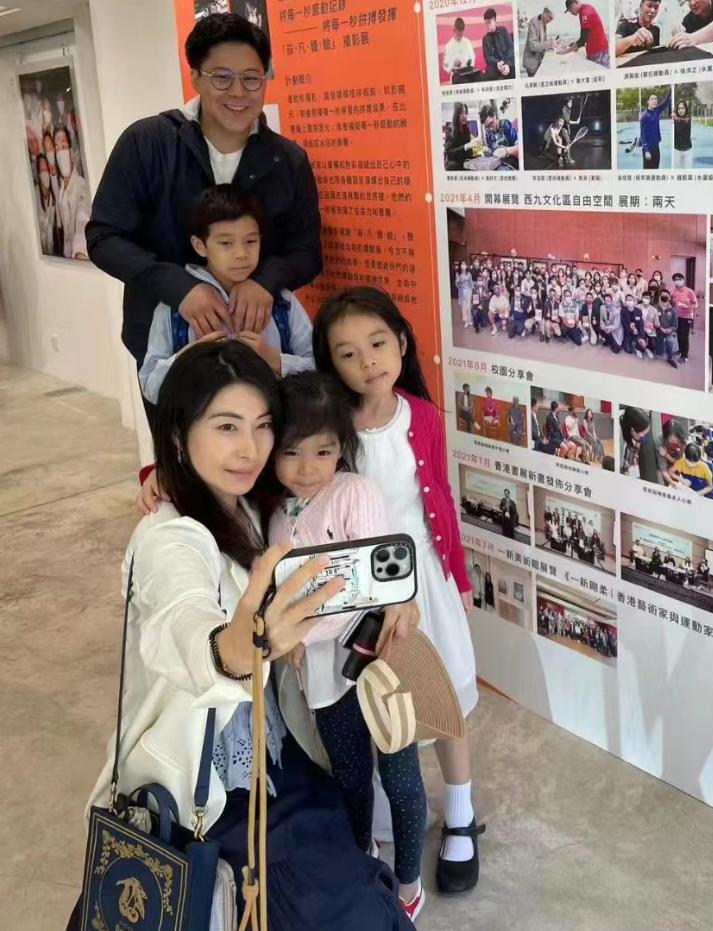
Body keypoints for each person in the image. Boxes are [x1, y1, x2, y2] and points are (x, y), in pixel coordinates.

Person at [75, 340, 413, 931]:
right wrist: (242, 648)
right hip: (208, 794)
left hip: (280, 758)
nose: (250, 448)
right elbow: (186, 624)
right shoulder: (168, 539)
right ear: (180, 432)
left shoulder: (257, 507)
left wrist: (395, 592)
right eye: (227, 426)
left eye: (262, 427)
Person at [312, 286, 486, 893]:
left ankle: (461, 817)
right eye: (348, 354)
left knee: (448, 701)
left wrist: (459, 578)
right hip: (366, 595)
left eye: (379, 344)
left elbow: (440, 500)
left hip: (427, 584)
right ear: (328, 363)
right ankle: (386, 814)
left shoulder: (424, 416)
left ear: (402, 344)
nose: (368, 363)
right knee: (382, 707)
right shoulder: (329, 427)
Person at [87, 14, 322, 392]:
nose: (239, 92)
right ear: (196, 77)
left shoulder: (287, 159)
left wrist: (265, 281)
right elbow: (104, 237)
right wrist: (177, 286)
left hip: (261, 355)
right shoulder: (148, 143)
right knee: (183, 448)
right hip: (169, 350)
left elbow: (307, 251)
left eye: (251, 78)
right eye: (222, 77)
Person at [269, 373, 427, 919]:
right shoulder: (275, 517)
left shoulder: (353, 491)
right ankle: (361, 858)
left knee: (401, 774)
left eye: (323, 450)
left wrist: (303, 621)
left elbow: (377, 581)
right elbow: (282, 598)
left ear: (342, 447)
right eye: (290, 452)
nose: (307, 466)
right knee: (349, 772)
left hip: (375, 658)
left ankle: (408, 884)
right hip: (321, 672)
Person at [138, 186, 313, 404]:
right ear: (200, 246)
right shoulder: (176, 308)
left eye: (251, 241)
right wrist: (189, 359)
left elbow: (321, 370)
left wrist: (276, 361)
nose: (241, 254)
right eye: (226, 243)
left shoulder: (282, 302)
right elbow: (150, 386)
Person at [54, 124, 90, 260]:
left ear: (70, 152)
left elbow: (83, 217)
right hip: (66, 253)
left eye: (63, 146)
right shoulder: (62, 185)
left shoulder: (80, 184)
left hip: (77, 255)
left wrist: (80, 250)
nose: (59, 152)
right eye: (56, 148)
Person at [562, 0, 610, 66]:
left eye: (571, 8)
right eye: (569, 11)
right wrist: (575, 46)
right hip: (592, 49)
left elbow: (582, 40)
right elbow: (585, 36)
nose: (571, 12)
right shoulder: (584, 9)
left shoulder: (585, 13)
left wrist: (566, 51)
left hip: (598, 51)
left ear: (576, 2)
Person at [34, 152, 61, 256]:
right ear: (38, 174)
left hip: (50, 251)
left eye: (46, 168)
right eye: (41, 170)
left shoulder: (52, 196)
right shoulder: (35, 194)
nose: (44, 172)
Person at [479, 103, 520, 169]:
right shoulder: (488, 135)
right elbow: (492, 153)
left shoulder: (505, 125)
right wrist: (488, 152)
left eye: (491, 123)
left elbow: (519, 148)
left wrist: (506, 150)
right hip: (498, 166)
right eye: (487, 127)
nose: (490, 129)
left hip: (511, 165)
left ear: (495, 116)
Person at [640, 89, 671, 169]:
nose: (654, 101)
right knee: (647, 173)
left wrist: (671, 89)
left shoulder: (657, 110)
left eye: (656, 99)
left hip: (656, 147)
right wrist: (646, 151)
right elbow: (642, 134)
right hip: (648, 149)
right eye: (652, 99)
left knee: (656, 169)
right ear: (648, 101)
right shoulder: (644, 116)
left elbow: (665, 102)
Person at [671, 273, 698, 364]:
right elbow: (672, 302)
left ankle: (684, 356)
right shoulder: (674, 291)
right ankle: (680, 350)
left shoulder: (689, 291)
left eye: (679, 279)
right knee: (678, 334)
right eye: (675, 279)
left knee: (684, 336)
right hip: (677, 316)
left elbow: (695, 304)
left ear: (683, 279)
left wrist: (687, 307)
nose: (677, 281)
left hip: (687, 317)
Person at [482, 9, 516, 80]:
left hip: (507, 61)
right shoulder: (485, 39)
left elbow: (511, 48)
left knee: (514, 71)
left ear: (494, 20)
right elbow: (488, 57)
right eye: (486, 23)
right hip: (494, 65)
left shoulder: (503, 30)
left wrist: (507, 64)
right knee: (488, 76)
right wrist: (497, 63)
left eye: (489, 22)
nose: (487, 25)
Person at [523, 7, 556, 77]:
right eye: (550, 18)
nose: (550, 21)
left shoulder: (543, 23)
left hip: (539, 60)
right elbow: (532, 46)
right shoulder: (533, 22)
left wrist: (550, 46)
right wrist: (549, 43)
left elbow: (542, 43)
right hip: (532, 63)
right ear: (545, 14)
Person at [443, 17, 478, 83]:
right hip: (456, 74)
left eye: (461, 31)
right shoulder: (449, 45)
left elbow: (472, 57)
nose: (460, 34)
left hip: (468, 71)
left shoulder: (467, 42)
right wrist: (453, 63)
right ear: (454, 30)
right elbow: (446, 65)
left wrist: (470, 65)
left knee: (480, 76)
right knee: (463, 81)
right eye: (458, 31)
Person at [445, 102, 477, 170]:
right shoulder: (449, 131)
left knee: (480, 158)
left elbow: (469, 153)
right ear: (456, 115)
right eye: (461, 113)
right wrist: (465, 147)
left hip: (465, 162)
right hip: (455, 163)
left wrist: (472, 161)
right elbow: (450, 154)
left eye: (465, 113)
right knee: (451, 166)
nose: (464, 116)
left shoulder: (467, 130)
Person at [657, 291, 679, 368]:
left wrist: (670, 330)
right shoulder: (655, 308)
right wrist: (660, 328)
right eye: (662, 295)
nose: (664, 296)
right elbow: (651, 321)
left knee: (671, 342)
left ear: (669, 298)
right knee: (659, 352)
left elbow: (675, 325)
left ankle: (670, 358)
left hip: (667, 332)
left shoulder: (673, 311)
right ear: (659, 297)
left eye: (666, 295)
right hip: (657, 331)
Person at [673, 100, 693, 169]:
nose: (681, 110)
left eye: (682, 108)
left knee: (688, 172)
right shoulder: (674, 120)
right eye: (679, 108)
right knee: (677, 172)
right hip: (677, 150)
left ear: (685, 109)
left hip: (687, 150)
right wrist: (674, 118)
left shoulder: (688, 118)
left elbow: (683, 121)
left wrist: (675, 118)